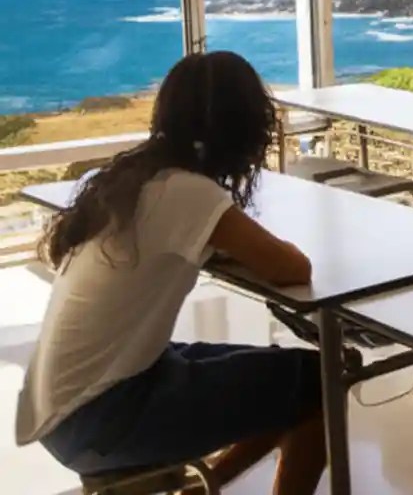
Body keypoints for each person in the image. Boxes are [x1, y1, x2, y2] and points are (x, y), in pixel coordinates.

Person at [15, 52, 326, 494]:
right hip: (102, 414)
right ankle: (203, 486)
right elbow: (293, 268)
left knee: (287, 381)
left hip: (64, 405)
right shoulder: (187, 192)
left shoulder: (134, 178)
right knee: (316, 380)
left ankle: (201, 488)